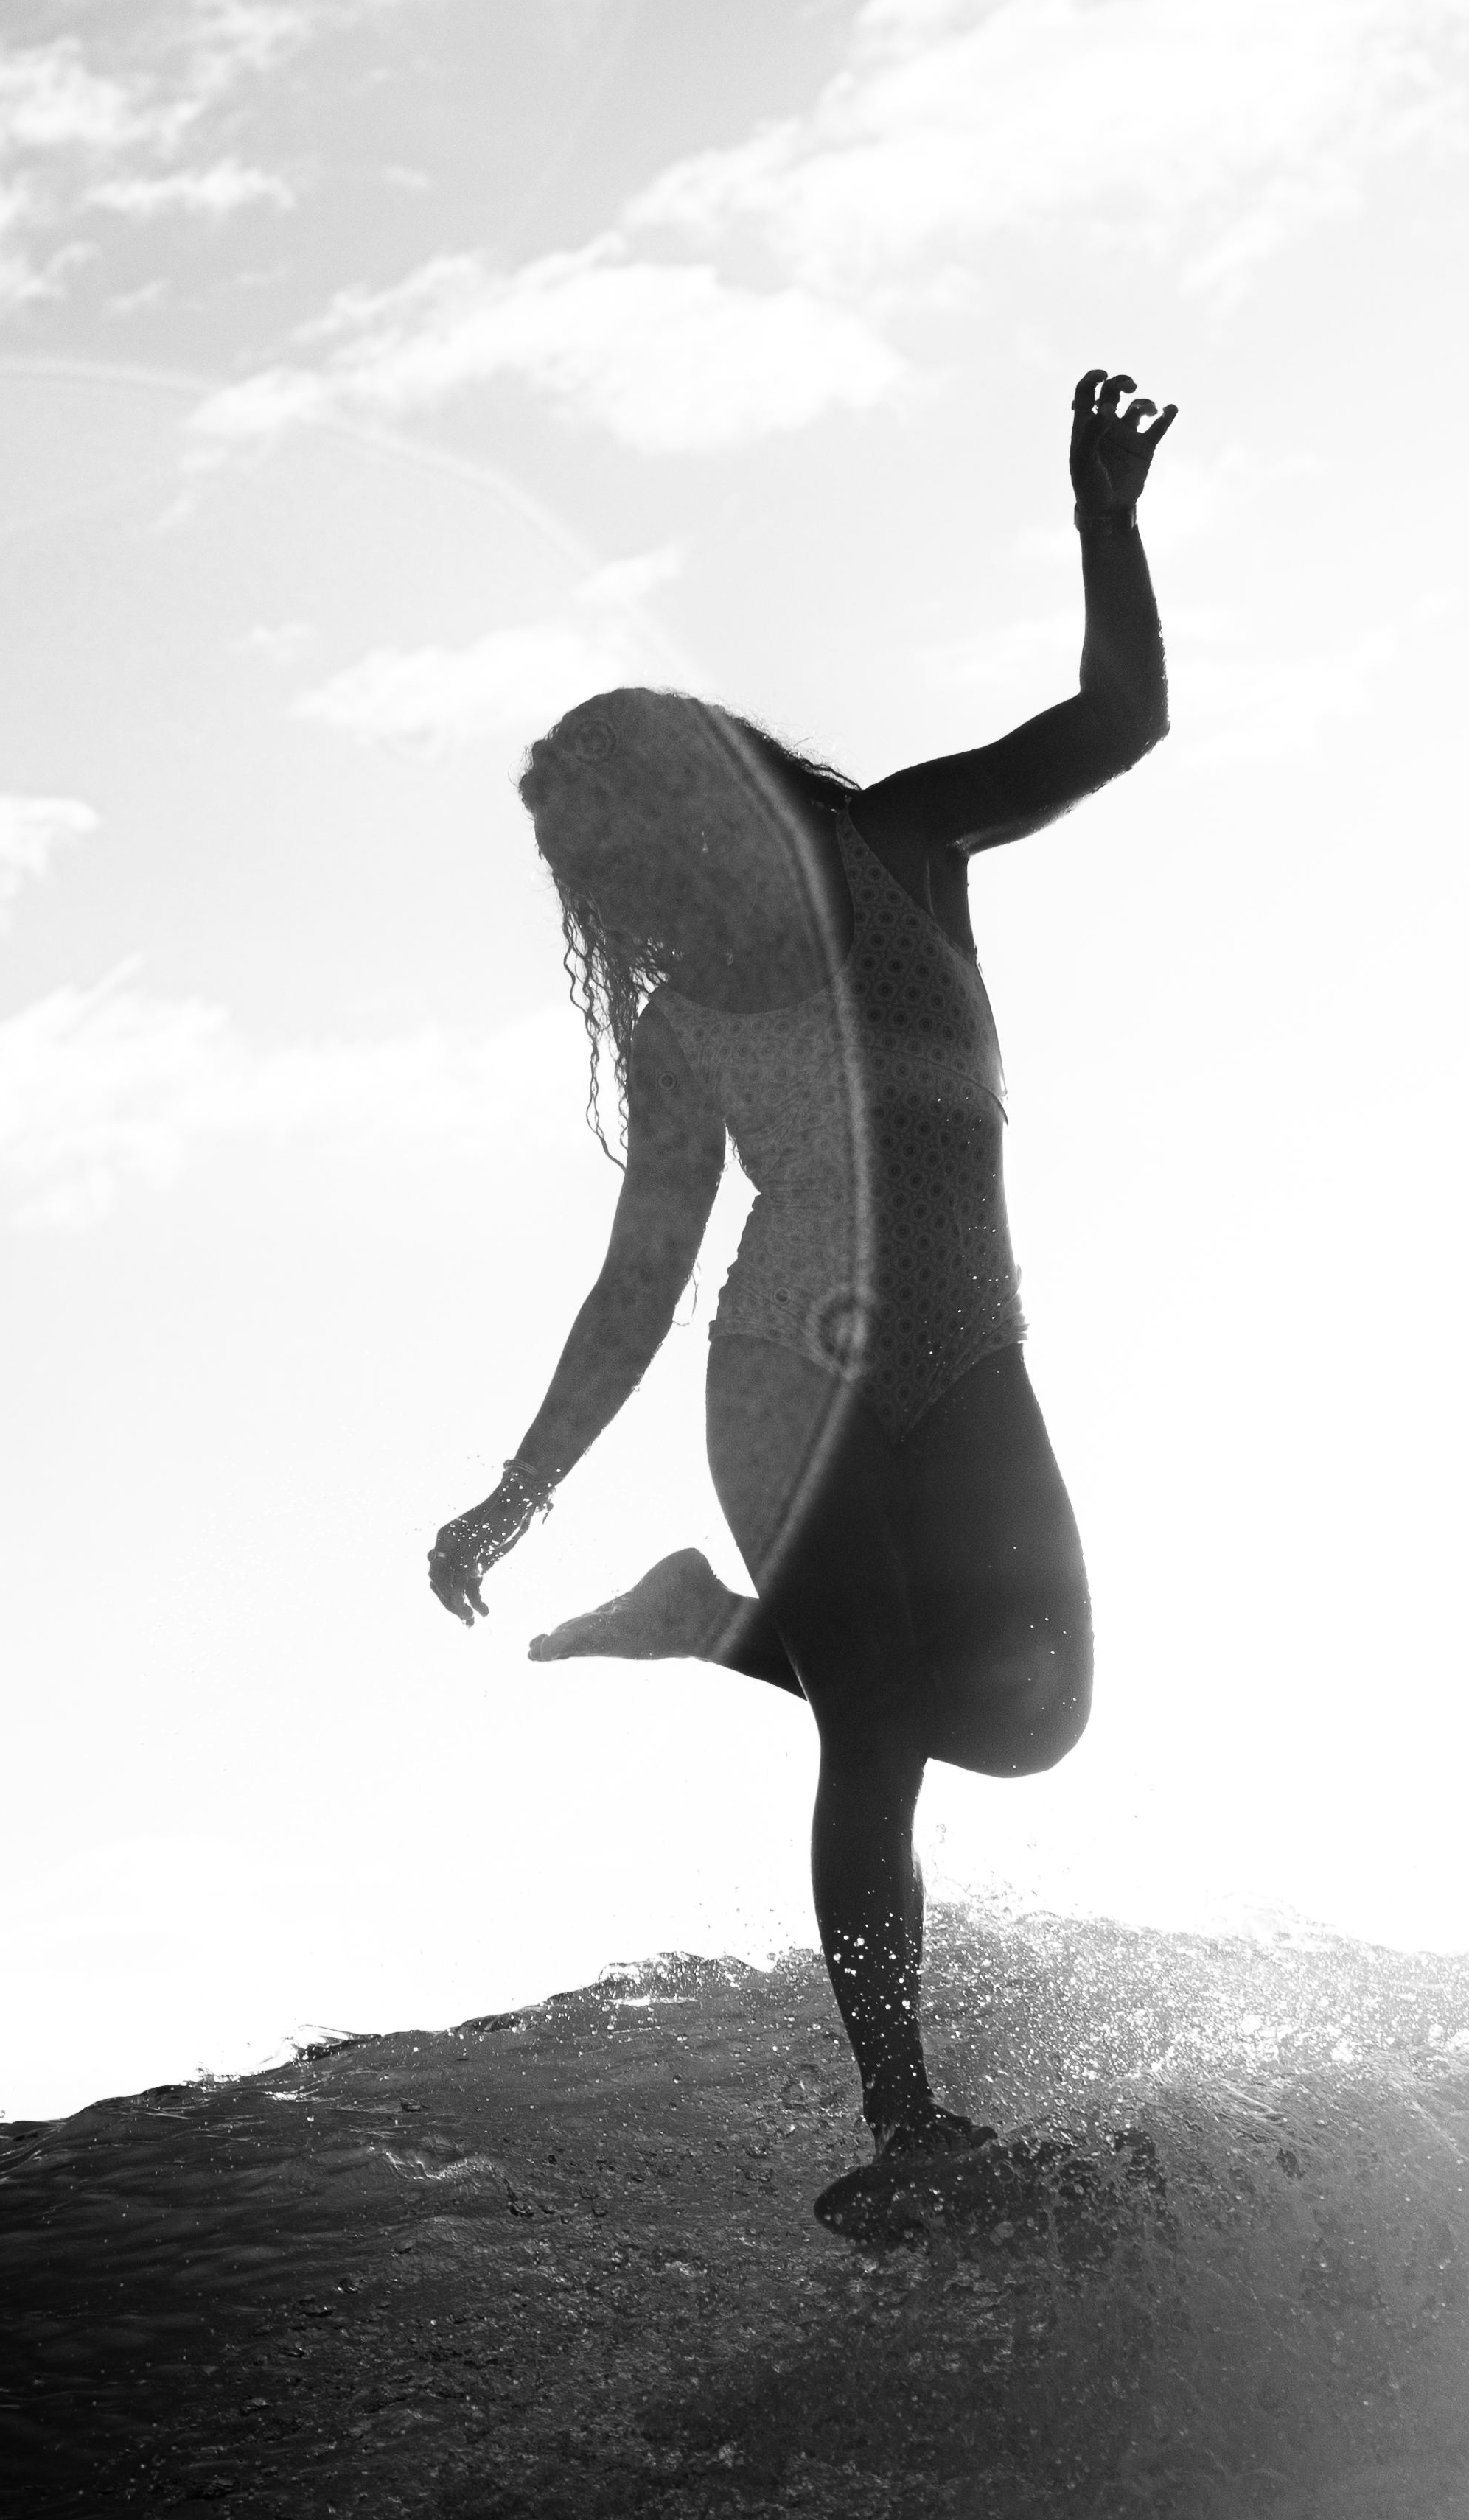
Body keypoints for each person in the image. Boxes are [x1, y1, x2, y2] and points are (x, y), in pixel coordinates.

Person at [427, 370, 1175, 2236]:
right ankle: (909, 2122)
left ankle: (706, 1620)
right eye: (602, 870)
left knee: (1034, 1717)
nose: (634, 887)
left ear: (708, 787)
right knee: (878, 1725)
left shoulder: (908, 846)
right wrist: (521, 1487)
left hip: (970, 1351)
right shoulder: (685, 1031)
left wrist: (1105, 522)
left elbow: (1120, 723)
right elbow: (640, 1276)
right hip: (785, 1372)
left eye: (633, 838)